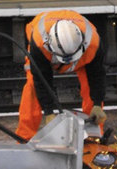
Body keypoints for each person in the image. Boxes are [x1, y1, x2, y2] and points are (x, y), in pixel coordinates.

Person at [15, 10, 107, 140]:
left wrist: (97, 103)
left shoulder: (94, 43)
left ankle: (93, 135)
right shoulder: (39, 43)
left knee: (90, 88)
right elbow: (42, 80)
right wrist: (48, 112)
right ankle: (25, 137)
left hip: (83, 53)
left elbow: (97, 75)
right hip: (44, 49)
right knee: (33, 87)